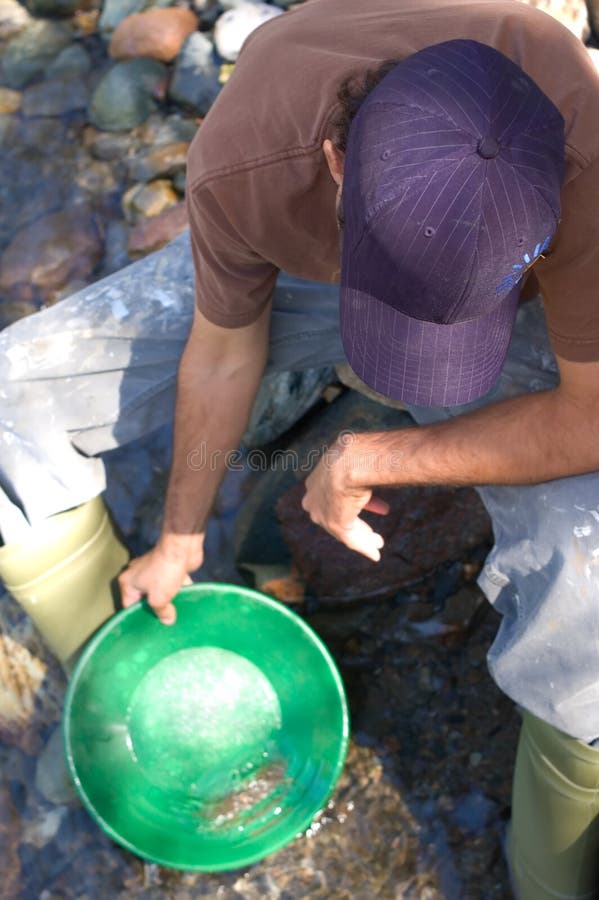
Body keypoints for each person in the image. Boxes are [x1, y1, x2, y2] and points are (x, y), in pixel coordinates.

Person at [2, 0, 599, 895]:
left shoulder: (579, 151)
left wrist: (372, 457)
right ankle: (122, 686)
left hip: (523, 301)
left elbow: (589, 413)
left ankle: (547, 877)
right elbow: (222, 347)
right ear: (335, 160)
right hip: (320, 258)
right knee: (12, 401)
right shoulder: (253, 155)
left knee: (590, 629)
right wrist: (179, 536)